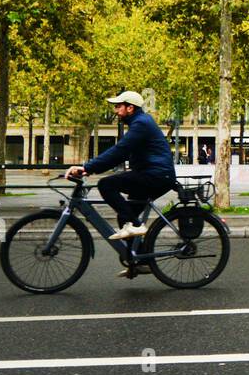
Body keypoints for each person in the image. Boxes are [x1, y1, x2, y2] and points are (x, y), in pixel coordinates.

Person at [66, 91, 177, 277]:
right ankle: (142, 261)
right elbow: (124, 153)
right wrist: (91, 167)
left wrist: (87, 168)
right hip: (154, 175)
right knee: (124, 216)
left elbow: (120, 151)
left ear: (130, 107)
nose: (116, 111)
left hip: (156, 176)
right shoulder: (139, 123)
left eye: (118, 107)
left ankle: (136, 225)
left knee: (106, 185)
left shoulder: (141, 124)